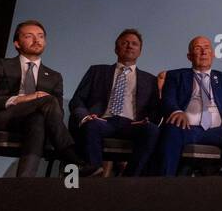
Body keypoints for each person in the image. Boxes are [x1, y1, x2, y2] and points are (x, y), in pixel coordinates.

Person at [0, 20, 99, 178]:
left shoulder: (54, 77)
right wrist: (22, 99)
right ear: (17, 43)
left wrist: (37, 103)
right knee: (49, 100)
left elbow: (58, 113)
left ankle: (24, 182)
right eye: (29, 36)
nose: (37, 40)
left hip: (34, 122)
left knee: (38, 119)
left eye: (41, 36)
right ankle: (71, 158)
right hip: (3, 118)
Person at [68, 29, 162, 176]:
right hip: (102, 121)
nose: (130, 46)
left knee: (152, 130)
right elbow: (77, 100)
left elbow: (156, 108)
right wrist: (86, 117)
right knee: (90, 125)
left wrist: (148, 120)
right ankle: (95, 172)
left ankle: (130, 177)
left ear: (140, 51)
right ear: (116, 49)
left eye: (134, 44)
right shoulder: (97, 71)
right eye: (125, 43)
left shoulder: (150, 80)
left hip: (133, 124)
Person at [157, 36, 222, 176]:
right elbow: (168, 99)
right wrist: (176, 111)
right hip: (186, 129)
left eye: (207, 48)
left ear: (213, 54)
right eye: (197, 48)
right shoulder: (176, 76)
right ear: (189, 56)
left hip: (216, 131)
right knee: (171, 129)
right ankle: (165, 185)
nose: (203, 51)